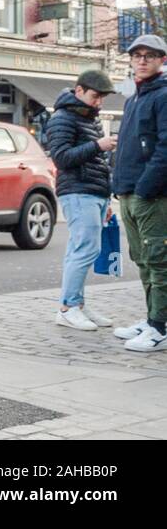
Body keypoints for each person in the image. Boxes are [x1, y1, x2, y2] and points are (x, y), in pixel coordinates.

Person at [47, 70, 117, 331]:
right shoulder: (62, 118)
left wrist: (106, 196)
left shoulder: (88, 118)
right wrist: (99, 145)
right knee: (85, 250)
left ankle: (77, 304)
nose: (99, 102)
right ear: (79, 91)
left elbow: (98, 163)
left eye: (102, 98)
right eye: (95, 96)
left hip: (92, 191)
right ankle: (68, 307)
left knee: (81, 250)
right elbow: (61, 158)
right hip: (77, 191)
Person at [111, 35, 167, 352]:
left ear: (162, 60)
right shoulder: (134, 97)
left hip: (152, 195)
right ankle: (153, 319)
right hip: (129, 192)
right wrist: (117, 184)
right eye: (137, 55)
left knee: (159, 260)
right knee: (143, 259)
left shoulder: (162, 96)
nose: (142, 60)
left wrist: (146, 186)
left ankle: (160, 327)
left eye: (150, 55)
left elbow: (164, 148)